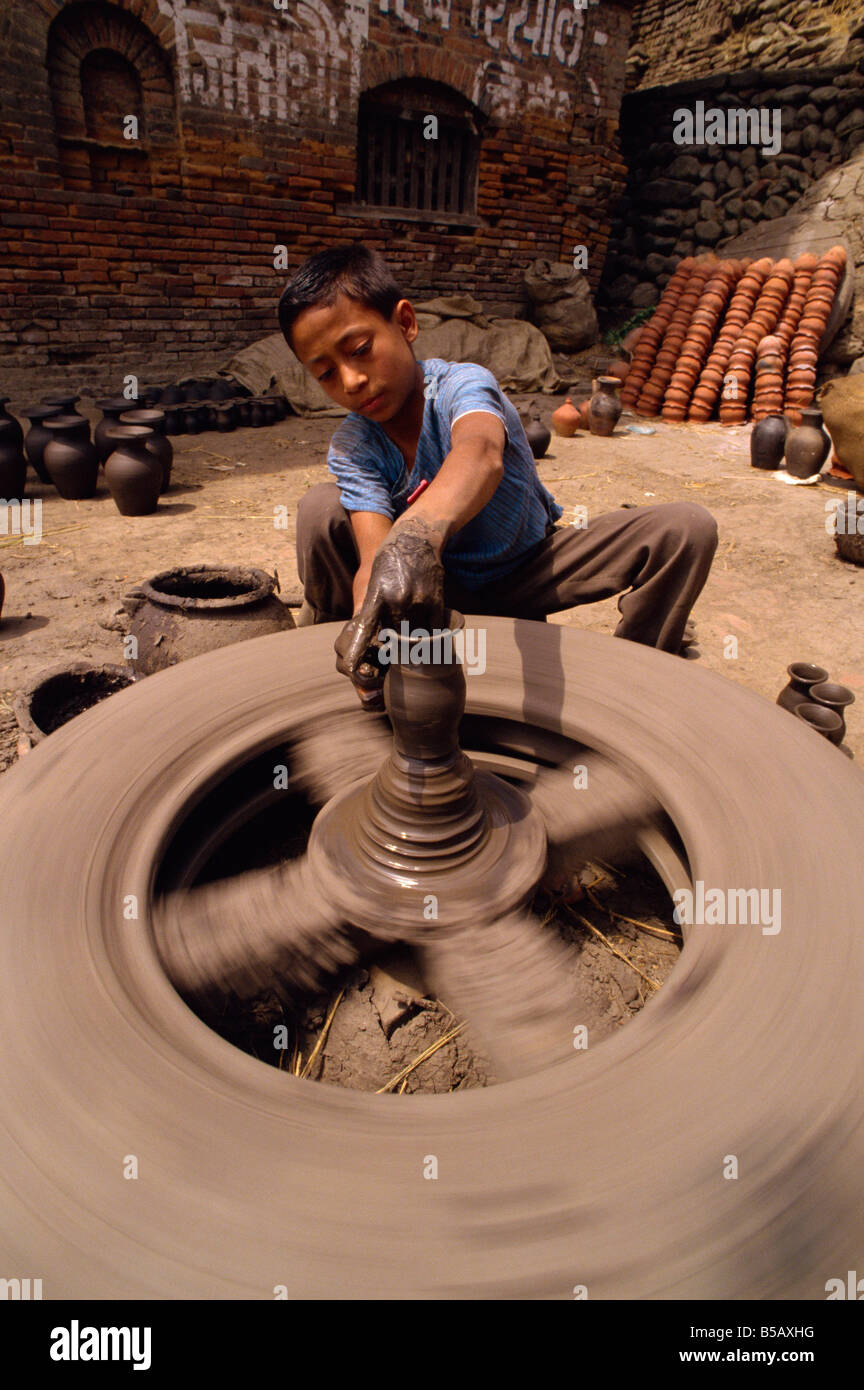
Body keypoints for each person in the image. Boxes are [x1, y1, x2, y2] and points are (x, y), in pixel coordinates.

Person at [278, 244, 718, 710]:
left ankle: (633, 683)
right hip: (432, 591)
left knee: (686, 528)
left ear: (405, 323)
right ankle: (335, 648)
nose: (350, 381)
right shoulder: (355, 444)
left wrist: (413, 537)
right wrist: (371, 619)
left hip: (528, 569)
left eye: (360, 351)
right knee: (321, 507)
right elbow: (373, 558)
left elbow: (481, 452)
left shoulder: (461, 385)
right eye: (326, 373)